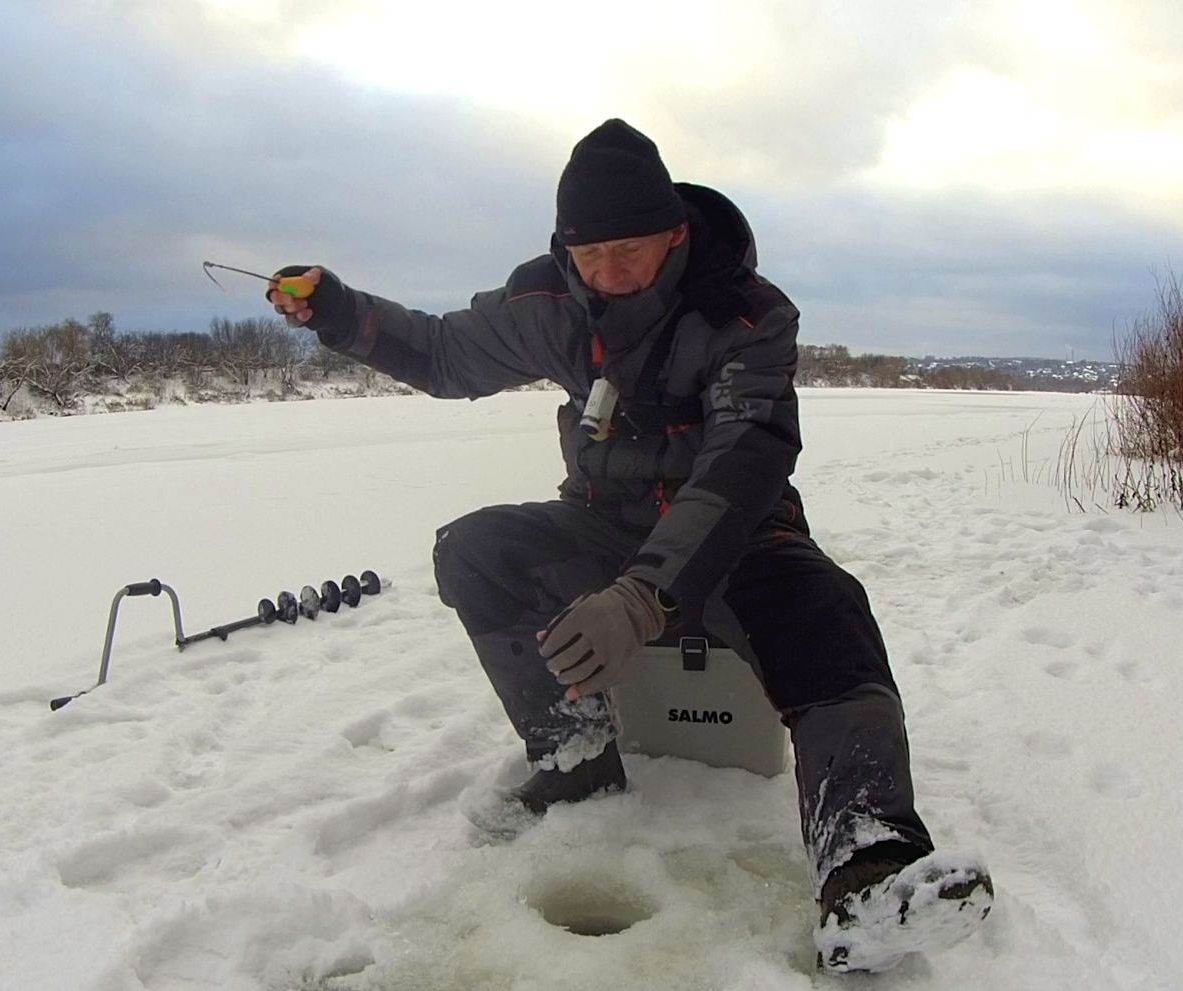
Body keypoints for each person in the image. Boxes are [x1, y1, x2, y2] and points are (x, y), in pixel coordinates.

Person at [266, 118, 992, 973]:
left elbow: (743, 459)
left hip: (739, 532)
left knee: (829, 610)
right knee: (476, 549)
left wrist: (644, 595)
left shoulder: (745, 314)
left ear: (676, 234)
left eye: (630, 251)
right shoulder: (552, 303)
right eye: (590, 254)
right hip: (602, 519)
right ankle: (573, 760)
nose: (608, 274)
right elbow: (443, 353)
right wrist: (339, 311)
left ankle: (865, 865)